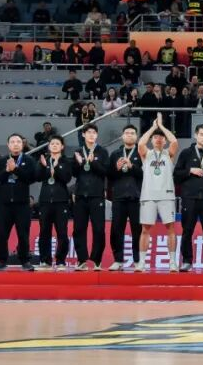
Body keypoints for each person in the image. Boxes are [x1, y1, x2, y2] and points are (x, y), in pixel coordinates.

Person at [137, 114, 179, 272]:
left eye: (161, 137)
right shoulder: (146, 154)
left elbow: (174, 142)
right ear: (151, 140)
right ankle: (142, 262)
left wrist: (161, 127)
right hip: (148, 196)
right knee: (145, 230)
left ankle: (172, 262)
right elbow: (141, 143)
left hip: (166, 196)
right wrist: (153, 127)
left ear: (165, 141)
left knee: (171, 229)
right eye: (155, 137)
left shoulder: (169, 154)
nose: (158, 139)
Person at [174, 124, 203, 271]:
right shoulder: (186, 153)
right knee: (187, 230)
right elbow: (176, 175)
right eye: (202, 134)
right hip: (189, 198)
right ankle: (187, 261)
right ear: (195, 135)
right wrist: (190, 170)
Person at [0, 133, 37, 270]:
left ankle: (25, 260)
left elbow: (31, 179)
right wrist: (7, 171)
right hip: (4, 204)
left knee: (23, 233)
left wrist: (16, 170)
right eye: (12, 142)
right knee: (2, 233)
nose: (15, 144)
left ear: (22, 144)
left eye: (18, 141)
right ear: (8, 144)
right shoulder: (1, 161)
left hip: (22, 203)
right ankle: (1, 260)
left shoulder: (29, 160)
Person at [71, 124, 109, 270]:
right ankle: (81, 260)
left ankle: (97, 260)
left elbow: (105, 172)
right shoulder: (78, 151)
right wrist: (79, 163)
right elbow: (74, 173)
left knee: (98, 229)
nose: (91, 135)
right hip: (80, 195)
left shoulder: (102, 151)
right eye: (89, 132)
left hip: (97, 194)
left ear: (97, 135)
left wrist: (93, 162)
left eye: (94, 132)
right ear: (83, 134)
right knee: (79, 229)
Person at [107, 126, 143, 270]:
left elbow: (145, 175)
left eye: (132, 133)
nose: (129, 135)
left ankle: (138, 260)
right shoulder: (115, 154)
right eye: (127, 133)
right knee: (116, 229)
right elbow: (109, 176)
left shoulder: (141, 153)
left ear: (137, 136)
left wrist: (132, 166)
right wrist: (116, 168)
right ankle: (118, 260)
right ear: (122, 136)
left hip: (136, 197)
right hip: (119, 197)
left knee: (137, 230)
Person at [37, 135, 73, 270]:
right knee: (44, 232)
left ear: (62, 146)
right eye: (52, 143)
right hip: (45, 201)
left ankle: (60, 261)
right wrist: (43, 167)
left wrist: (56, 168)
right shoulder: (44, 160)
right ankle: (45, 260)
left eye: (57, 143)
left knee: (62, 232)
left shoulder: (66, 161)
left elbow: (66, 178)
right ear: (49, 146)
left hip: (61, 201)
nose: (54, 145)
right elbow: (37, 177)